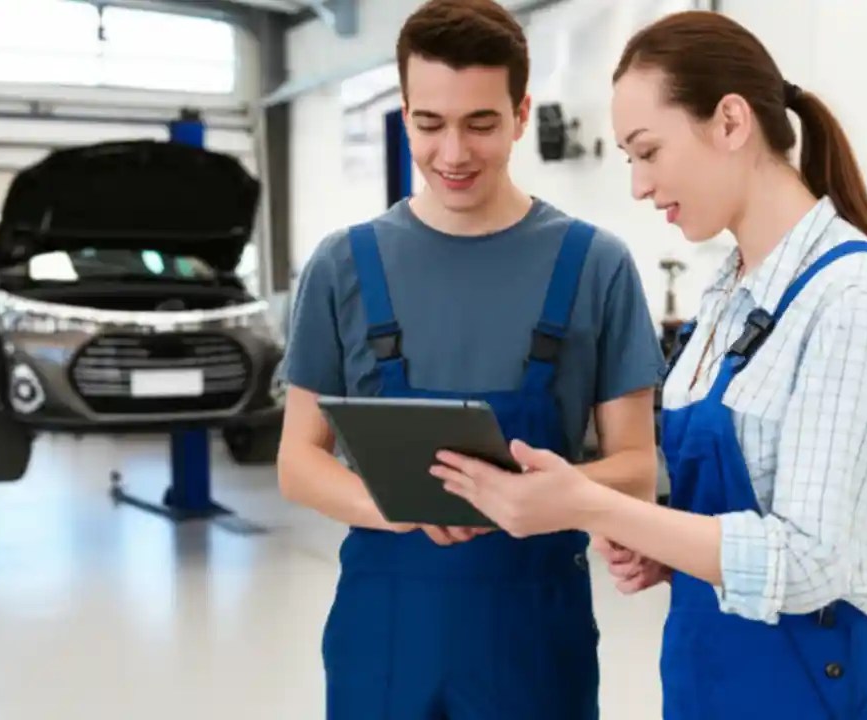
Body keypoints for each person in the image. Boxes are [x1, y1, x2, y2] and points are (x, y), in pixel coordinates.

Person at [431, 10, 867, 720]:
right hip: (702, 683)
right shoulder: (728, 294)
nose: (639, 186)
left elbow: (807, 563)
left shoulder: (855, 300)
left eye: (648, 151)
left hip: (805, 691)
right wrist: (665, 545)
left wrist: (590, 502)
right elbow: (729, 512)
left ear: (731, 122)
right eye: (628, 158)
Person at [277, 0, 666, 717]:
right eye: (429, 124)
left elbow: (638, 467)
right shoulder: (343, 265)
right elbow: (298, 461)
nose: (453, 154)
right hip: (384, 640)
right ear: (403, 113)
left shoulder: (594, 265)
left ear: (522, 114)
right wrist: (392, 508)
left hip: (534, 644)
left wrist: (543, 499)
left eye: (481, 124)